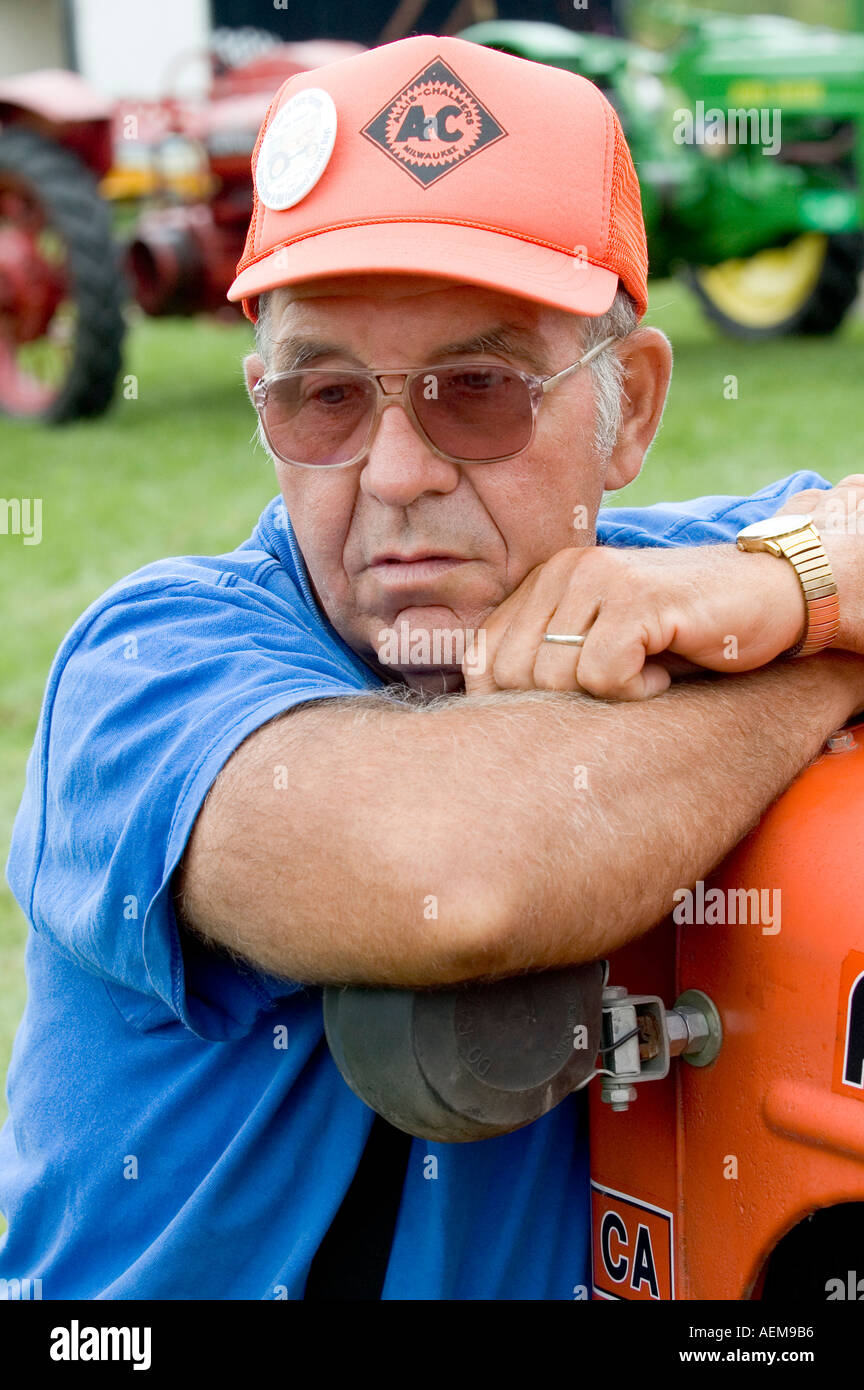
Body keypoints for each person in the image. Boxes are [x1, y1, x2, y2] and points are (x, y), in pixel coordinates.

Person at [2, 34, 864, 1302]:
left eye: (478, 388)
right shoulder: (146, 668)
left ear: (628, 404)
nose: (397, 474)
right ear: (263, 410)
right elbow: (452, 881)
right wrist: (817, 658)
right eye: (325, 398)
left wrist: (770, 581)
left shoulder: (677, 578)